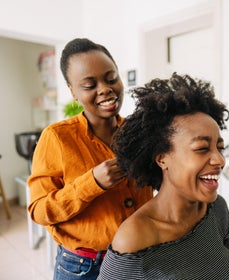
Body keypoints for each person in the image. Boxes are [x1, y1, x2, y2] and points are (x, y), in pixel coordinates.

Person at [27, 38, 153, 280]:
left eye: (110, 78)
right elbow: (39, 211)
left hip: (138, 258)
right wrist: (92, 183)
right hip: (84, 267)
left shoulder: (139, 133)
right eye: (89, 84)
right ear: (73, 91)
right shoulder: (56, 138)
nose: (105, 89)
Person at [98, 73, 229, 279]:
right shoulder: (135, 237)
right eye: (202, 148)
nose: (219, 160)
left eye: (219, 148)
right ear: (162, 158)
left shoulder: (217, 209)